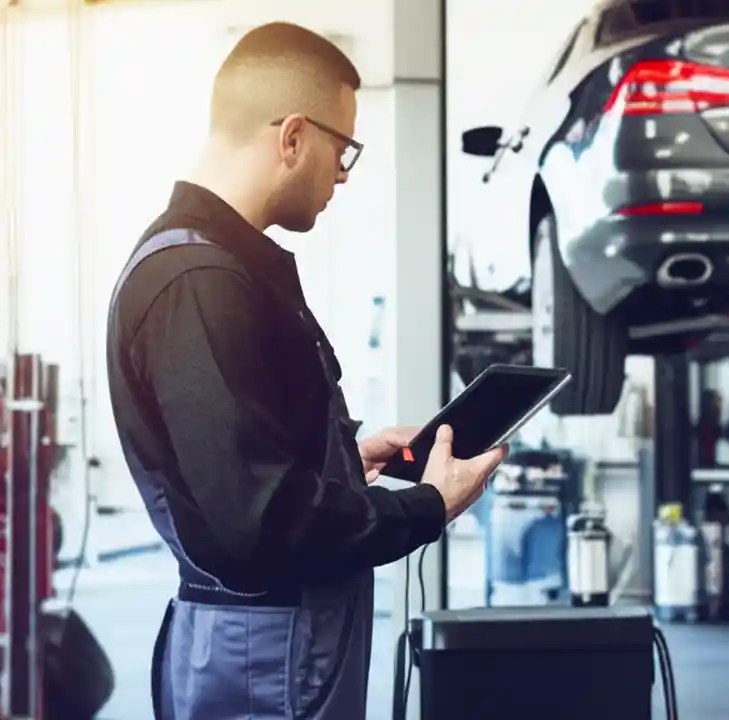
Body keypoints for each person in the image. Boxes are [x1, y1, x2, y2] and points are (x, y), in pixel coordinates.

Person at [104, 22, 506, 719]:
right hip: (264, 655)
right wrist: (427, 506)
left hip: (274, 642)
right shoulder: (199, 283)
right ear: (292, 137)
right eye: (342, 148)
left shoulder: (217, 269)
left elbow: (232, 466)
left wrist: (342, 461)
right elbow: (258, 521)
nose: (344, 174)